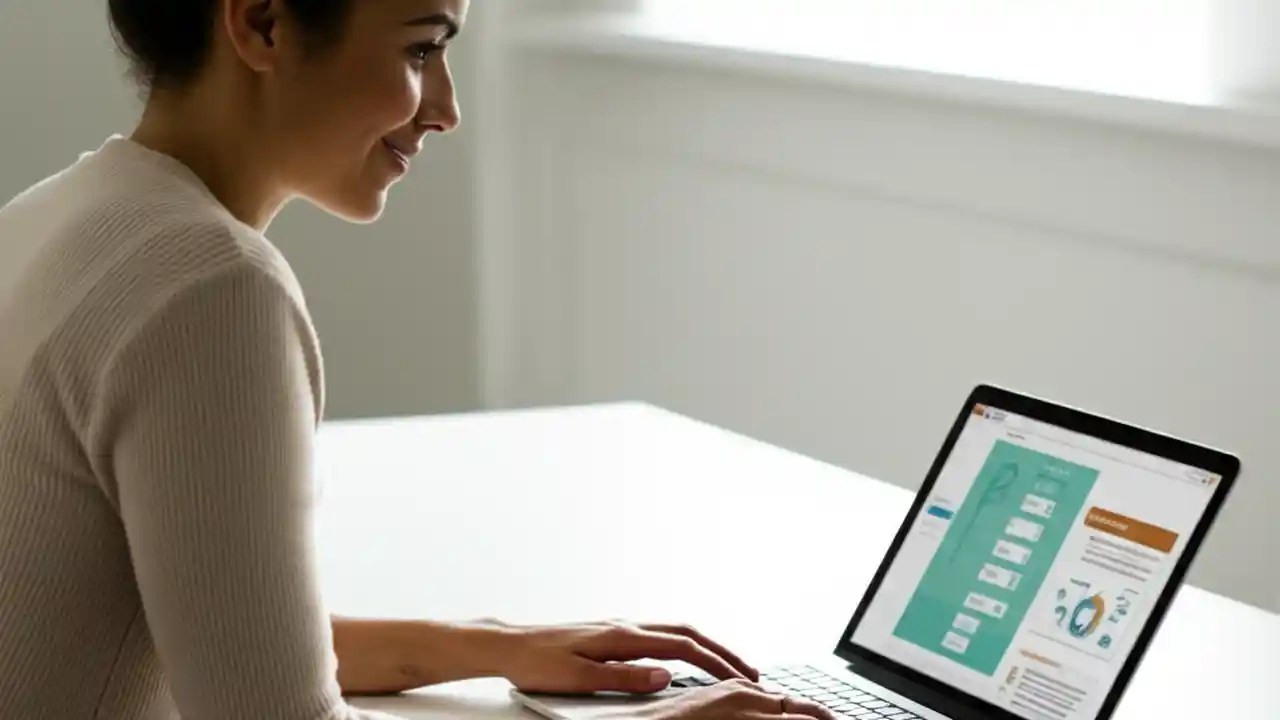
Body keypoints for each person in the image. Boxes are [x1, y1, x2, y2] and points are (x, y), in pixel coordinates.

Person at [0, 2, 837, 719]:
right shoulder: (210, 286)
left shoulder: (60, 211)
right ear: (261, 22)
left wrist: (494, 646)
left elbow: (221, 632)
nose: (445, 108)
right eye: (421, 48)